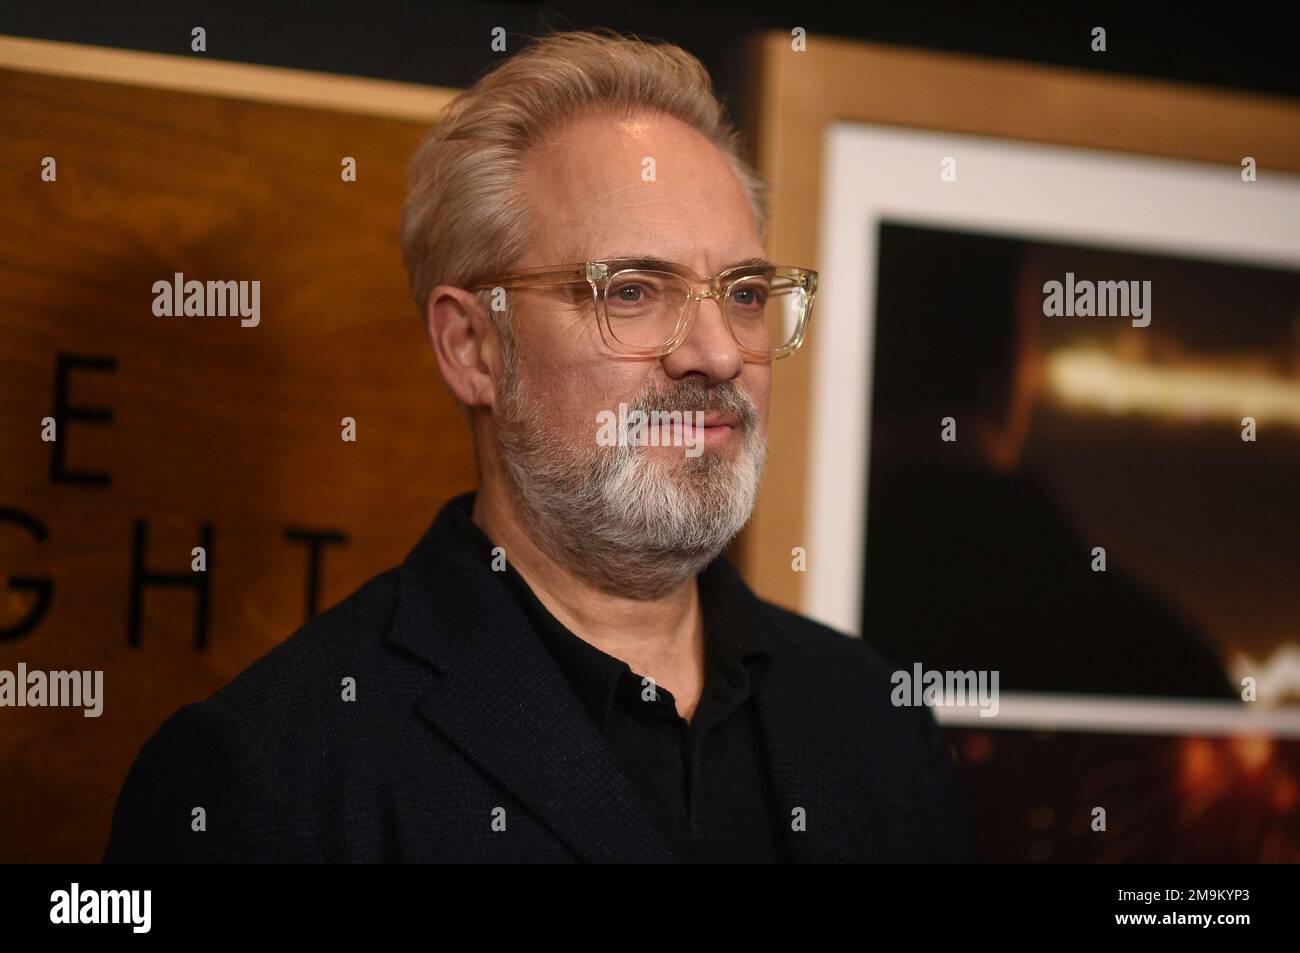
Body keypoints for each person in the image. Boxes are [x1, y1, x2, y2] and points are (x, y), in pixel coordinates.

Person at [103, 29, 972, 863]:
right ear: (474, 348)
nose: (715, 353)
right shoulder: (271, 774)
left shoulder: (874, 716)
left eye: (743, 293)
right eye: (632, 291)